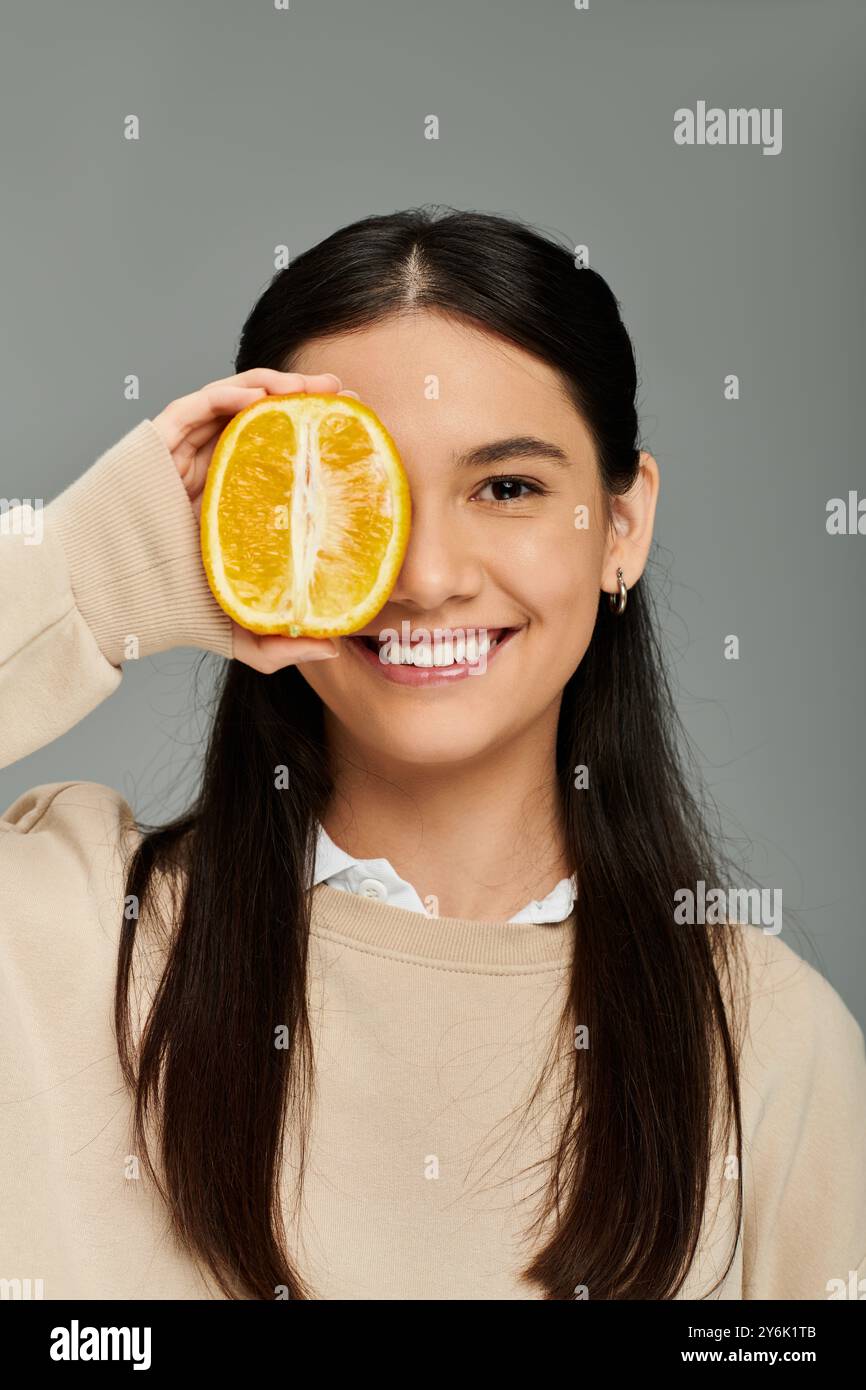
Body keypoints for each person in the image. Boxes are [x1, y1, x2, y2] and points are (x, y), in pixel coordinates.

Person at [1, 208, 864, 1301]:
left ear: (620, 525)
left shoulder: (766, 1044)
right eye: (347, 493)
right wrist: (89, 575)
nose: (422, 574)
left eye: (506, 487)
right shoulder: (57, 935)